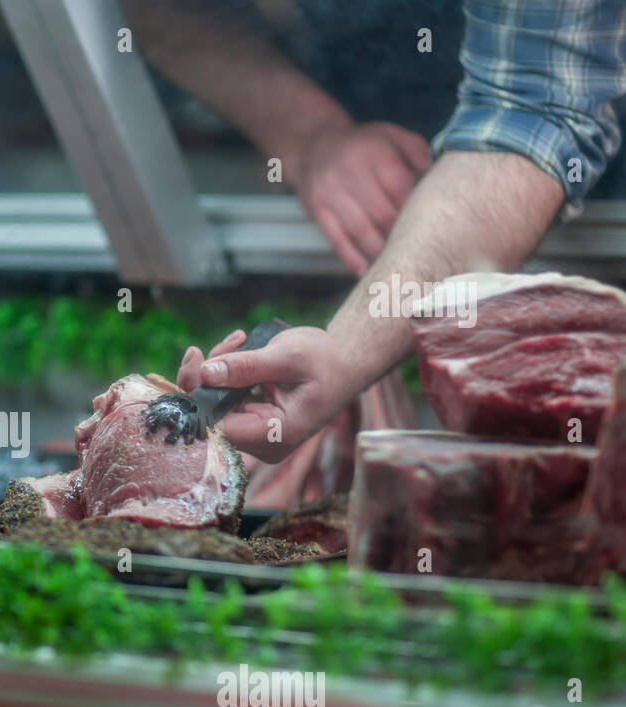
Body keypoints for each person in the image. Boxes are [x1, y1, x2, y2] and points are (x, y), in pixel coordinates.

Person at [125, 0, 626, 464]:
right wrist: (305, 132)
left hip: (572, 212)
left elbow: (534, 108)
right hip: (344, 130)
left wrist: (346, 350)